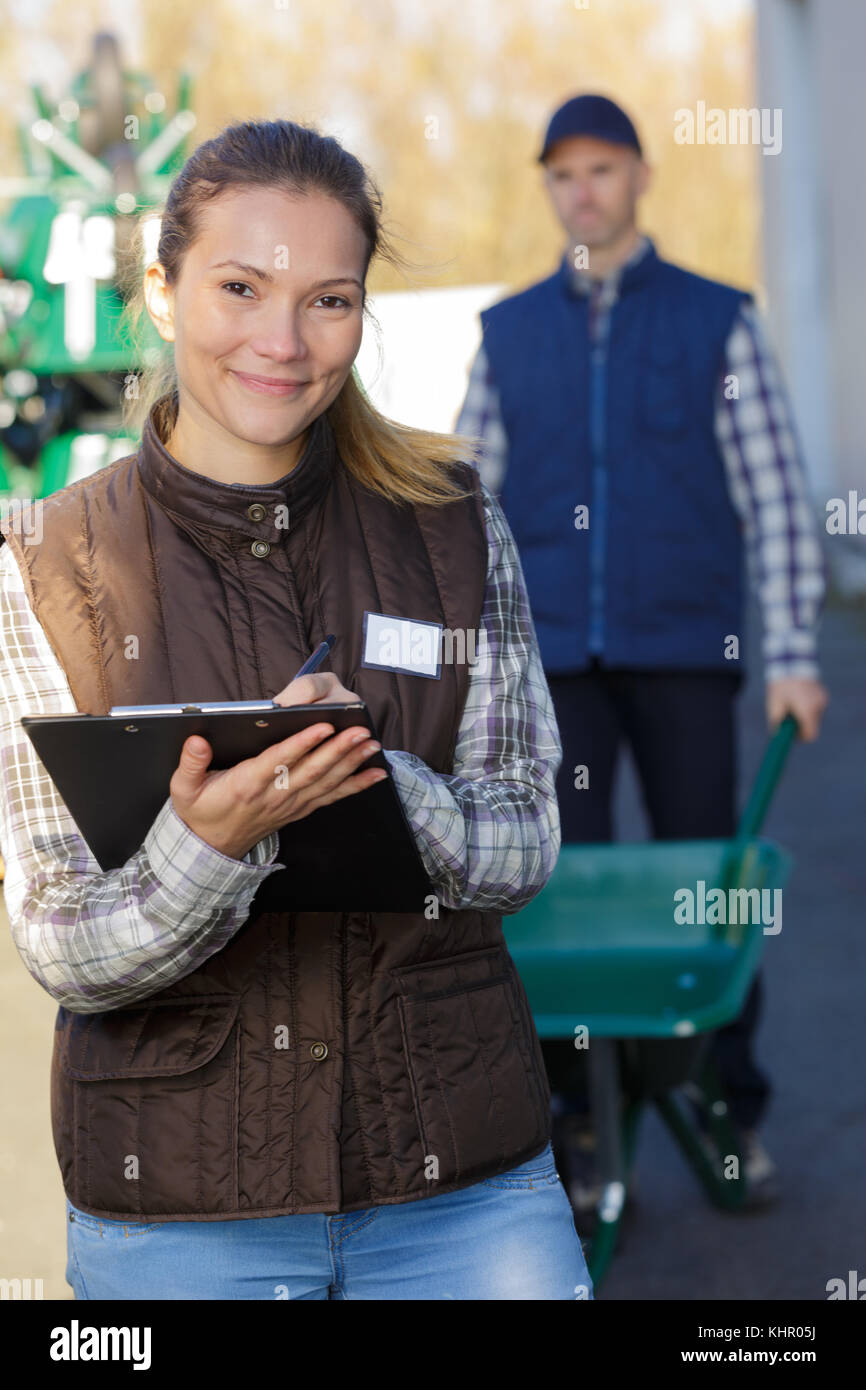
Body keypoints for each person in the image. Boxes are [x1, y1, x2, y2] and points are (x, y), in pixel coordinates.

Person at [0, 119, 593, 1301]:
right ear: (161, 293)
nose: (281, 340)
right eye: (238, 286)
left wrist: (382, 782)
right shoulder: (42, 562)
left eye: (327, 299)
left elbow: (526, 836)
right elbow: (63, 942)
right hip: (178, 1208)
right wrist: (206, 847)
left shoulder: (453, 525)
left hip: (460, 1188)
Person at [456, 94, 829, 1213]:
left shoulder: (717, 320)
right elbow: (461, 511)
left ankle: (725, 1115)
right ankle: (572, 1127)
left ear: (639, 177)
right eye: (562, 172)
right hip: (554, 663)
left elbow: (771, 494)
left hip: (682, 649)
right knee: (555, 893)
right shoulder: (507, 332)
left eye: (602, 168)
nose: (583, 189)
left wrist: (793, 653)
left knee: (708, 887)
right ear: (549, 188)